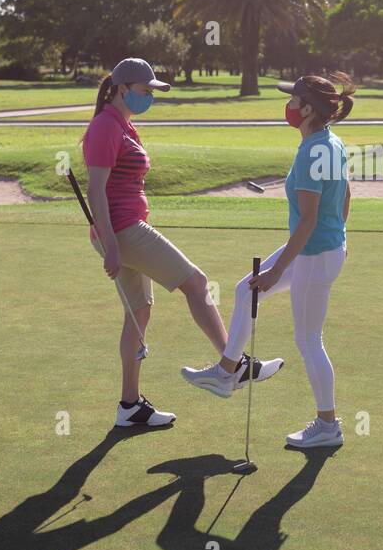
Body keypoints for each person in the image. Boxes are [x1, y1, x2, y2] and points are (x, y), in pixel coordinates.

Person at [83, 58, 283, 429]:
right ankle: (232, 366)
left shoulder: (123, 125)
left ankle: (129, 406)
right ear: (122, 89)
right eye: (145, 91)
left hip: (123, 229)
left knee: (138, 311)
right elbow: (95, 191)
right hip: (122, 231)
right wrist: (111, 246)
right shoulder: (105, 127)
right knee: (197, 283)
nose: (149, 97)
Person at [182, 72, 354, 450]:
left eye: (294, 101)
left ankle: (328, 425)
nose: (289, 106)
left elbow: (308, 219)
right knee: (247, 290)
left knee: (309, 340)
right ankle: (229, 371)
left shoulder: (313, 150)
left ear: (308, 109)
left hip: (313, 254)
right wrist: (338, 236)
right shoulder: (329, 142)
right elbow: (345, 197)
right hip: (323, 250)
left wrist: (277, 270)